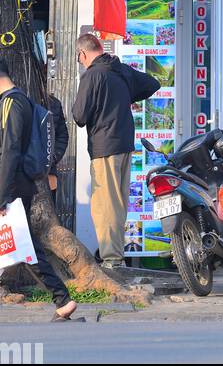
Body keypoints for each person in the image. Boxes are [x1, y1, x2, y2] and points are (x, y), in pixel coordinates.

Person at [72, 33, 159, 271]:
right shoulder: (120, 70)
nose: (81, 63)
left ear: (83, 53)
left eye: (80, 59)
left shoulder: (92, 75)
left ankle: (111, 259)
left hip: (104, 147)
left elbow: (79, 116)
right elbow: (153, 83)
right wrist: (126, 95)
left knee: (105, 205)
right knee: (119, 203)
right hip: (125, 146)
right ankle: (116, 255)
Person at [0, 56, 76, 319]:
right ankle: (62, 299)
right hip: (18, 184)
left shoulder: (12, 102)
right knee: (24, 245)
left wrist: (3, 196)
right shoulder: (18, 100)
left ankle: (62, 298)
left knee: (25, 245)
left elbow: (10, 151)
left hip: (15, 185)